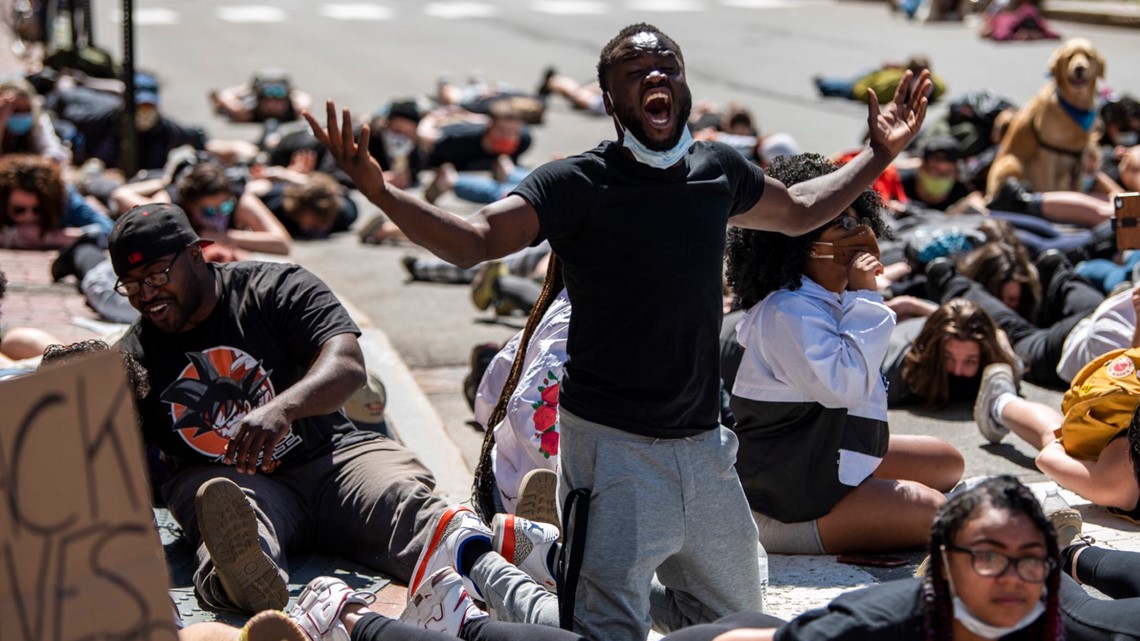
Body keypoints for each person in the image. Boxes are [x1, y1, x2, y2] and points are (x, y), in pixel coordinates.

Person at [307, 22, 931, 640]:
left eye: (667, 68)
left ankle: (554, 559)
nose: (656, 76)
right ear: (610, 99)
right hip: (613, 453)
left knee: (736, 627)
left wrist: (879, 153)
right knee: (600, 637)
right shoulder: (576, 183)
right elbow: (475, 241)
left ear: (683, 88)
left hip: (705, 450)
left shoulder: (716, 169)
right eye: (636, 72)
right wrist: (381, 192)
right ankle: (480, 574)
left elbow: (798, 211)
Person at [110, 203, 449, 615]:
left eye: (157, 275)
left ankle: (487, 551)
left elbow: (346, 364)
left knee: (402, 499)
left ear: (196, 254)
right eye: (131, 284)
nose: (147, 294)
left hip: (331, 459)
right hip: (231, 481)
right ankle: (241, 580)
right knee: (229, 517)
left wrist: (283, 409)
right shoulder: (134, 356)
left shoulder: (274, 287)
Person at [725, 152, 963, 555]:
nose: (860, 232)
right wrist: (867, 296)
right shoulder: (787, 310)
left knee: (947, 462)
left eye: (858, 219)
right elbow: (846, 386)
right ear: (800, 240)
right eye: (843, 223)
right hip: (792, 496)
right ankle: (788, 535)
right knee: (935, 513)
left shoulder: (828, 299)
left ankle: (863, 500)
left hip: (825, 455)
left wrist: (858, 296)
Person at [974, 353, 1140, 520]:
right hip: (1116, 458)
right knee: (1058, 438)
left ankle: (1002, 402)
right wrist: (1061, 440)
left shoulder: (1118, 484)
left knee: (1058, 437)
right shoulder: (1120, 482)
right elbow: (1048, 458)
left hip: (1119, 463)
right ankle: (1000, 403)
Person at [883, 298, 1021, 407]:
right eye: (948, 358)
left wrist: (999, 338)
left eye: (970, 361)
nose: (957, 371)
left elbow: (1013, 371)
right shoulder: (898, 375)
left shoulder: (994, 359)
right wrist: (910, 306)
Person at [0, 153, 112, 249]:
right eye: (19, 210)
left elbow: (109, 232)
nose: (29, 216)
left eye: (38, 209)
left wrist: (53, 237)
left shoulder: (65, 199)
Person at [0, 76, 70, 164]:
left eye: (26, 110)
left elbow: (53, 149)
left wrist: (42, 162)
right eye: (16, 110)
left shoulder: (37, 117)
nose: (21, 116)